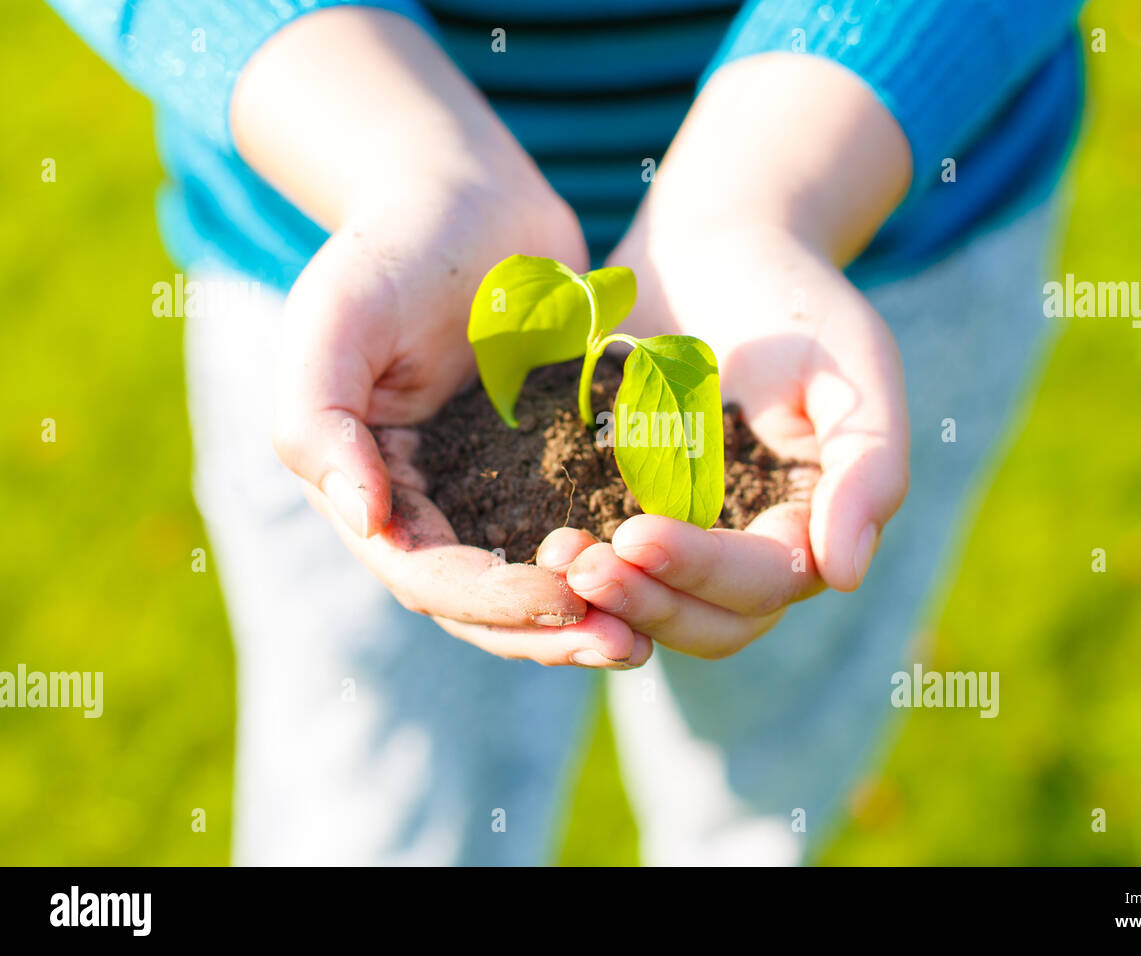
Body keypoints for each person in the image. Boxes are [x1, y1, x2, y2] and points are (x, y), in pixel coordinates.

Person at [48, 0, 1086, 864]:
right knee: (373, 789)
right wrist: (397, 160)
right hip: (351, 267)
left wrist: (766, 188)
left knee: (771, 767)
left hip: (850, 245)